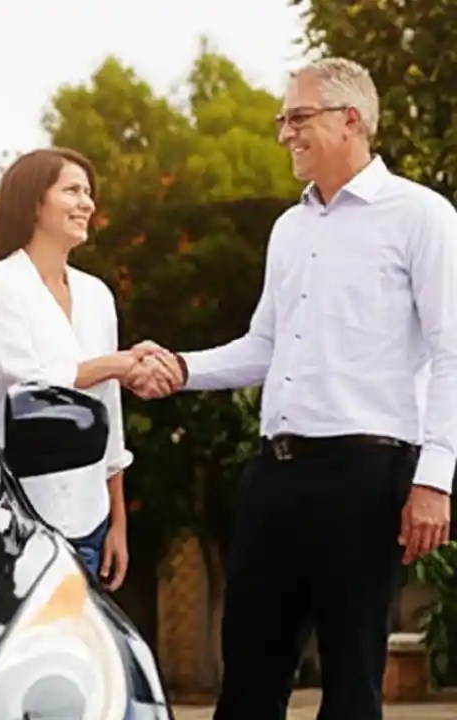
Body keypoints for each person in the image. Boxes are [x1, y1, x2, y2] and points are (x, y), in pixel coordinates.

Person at [132, 57, 457, 720]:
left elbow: (454, 354)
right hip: (274, 476)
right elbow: (264, 347)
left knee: (350, 686)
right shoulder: (291, 228)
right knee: (248, 680)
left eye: (298, 117)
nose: (284, 132)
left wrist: (435, 480)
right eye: (283, 118)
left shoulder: (422, 218)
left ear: (352, 119)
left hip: (367, 475)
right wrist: (181, 369)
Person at [0, 147, 163, 590]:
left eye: (89, 193)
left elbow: (107, 411)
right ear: (35, 202)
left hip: (91, 519)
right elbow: (28, 381)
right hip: (21, 517)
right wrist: (119, 363)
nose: (87, 204)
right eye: (72, 190)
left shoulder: (97, 295)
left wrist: (118, 522)